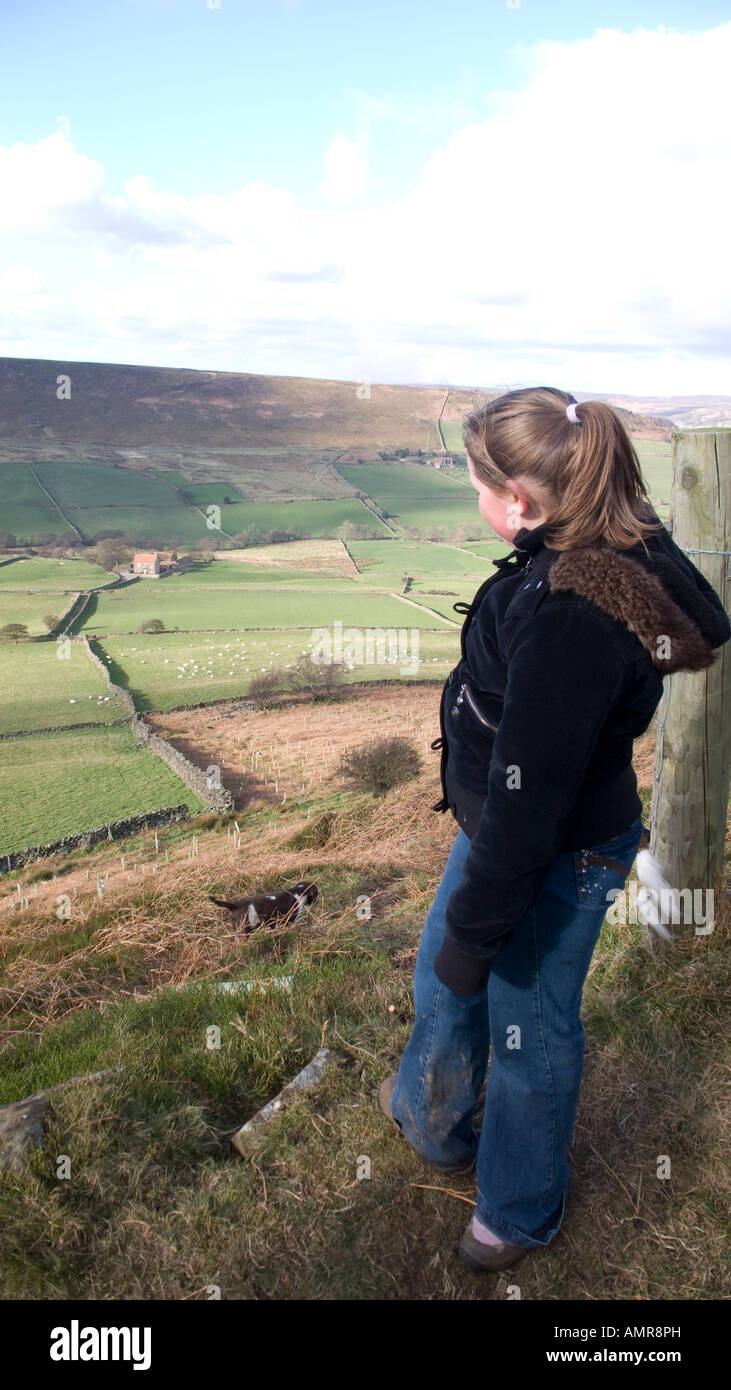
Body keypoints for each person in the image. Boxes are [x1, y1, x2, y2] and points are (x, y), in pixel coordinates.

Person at [377, 387, 730, 1273]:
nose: (473, 496)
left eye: (475, 482)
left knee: (526, 1022)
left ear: (520, 502)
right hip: (502, 830)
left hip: (553, 849)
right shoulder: (594, 542)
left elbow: (532, 801)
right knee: (446, 983)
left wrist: (476, 928)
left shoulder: (575, 618)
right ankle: (435, 1123)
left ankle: (518, 1209)